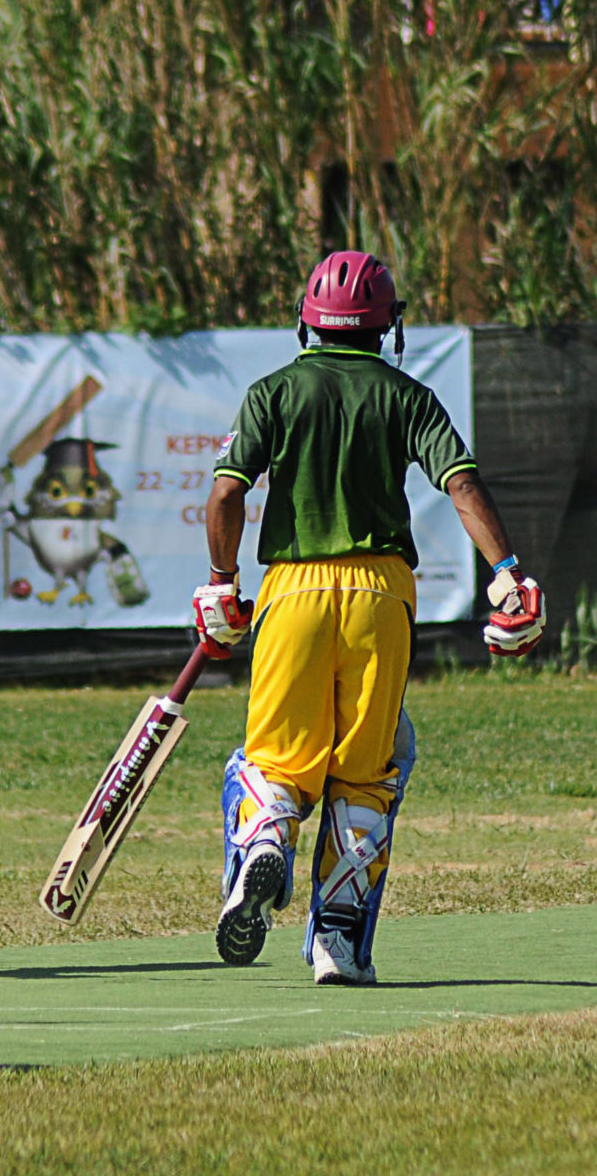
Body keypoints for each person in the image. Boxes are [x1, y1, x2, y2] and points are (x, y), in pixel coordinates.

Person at [193, 250, 544, 985]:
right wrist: (509, 575)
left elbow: (227, 494)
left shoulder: (273, 391)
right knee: (368, 770)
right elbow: (463, 484)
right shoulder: (408, 394)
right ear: (389, 325)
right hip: (384, 595)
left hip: (292, 588)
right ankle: (339, 943)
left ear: (306, 321)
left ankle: (264, 833)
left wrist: (222, 582)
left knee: (275, 761)